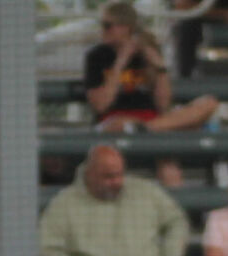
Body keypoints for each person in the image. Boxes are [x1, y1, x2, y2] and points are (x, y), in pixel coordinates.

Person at [39, 144, 191, 256]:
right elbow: (48, 251)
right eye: (108, 177)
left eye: (120, 174)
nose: (117, 181)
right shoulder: (64, 205)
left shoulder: (146, 192)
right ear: (90, 174)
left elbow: (176, 222)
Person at [84, 2, 217, 186]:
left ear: (125, 28)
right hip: (116, 121)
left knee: (208, 103)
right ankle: (146, 129)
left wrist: (159, 66)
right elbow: (100, 105)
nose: (103, 31)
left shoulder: (148, 52)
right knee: (121, 124)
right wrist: (121, 61)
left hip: (151, 123)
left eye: (108, 26)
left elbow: (163, 105)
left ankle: (145, 130)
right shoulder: (97, 56)